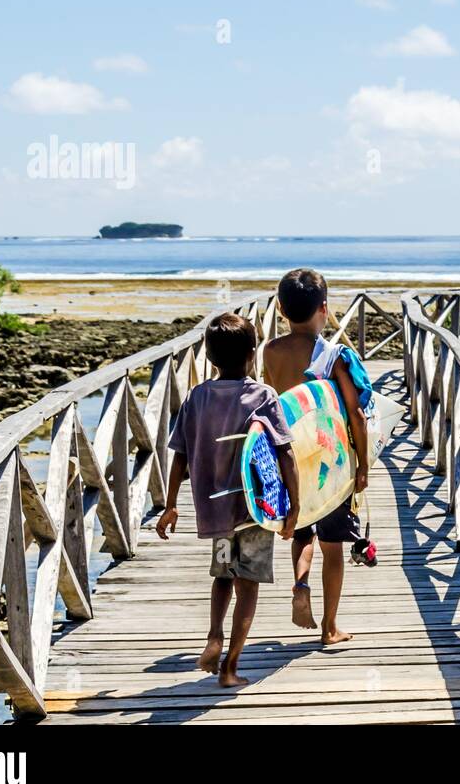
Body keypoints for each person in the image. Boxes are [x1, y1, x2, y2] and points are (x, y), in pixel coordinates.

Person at [156, 313, 298, 686]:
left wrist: (171, 504)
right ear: (253, 354)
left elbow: (180, 454)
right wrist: (295, 506)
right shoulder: (262, 396)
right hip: (254, 510)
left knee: (223, 575)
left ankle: (213, 634)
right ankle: (230, 668)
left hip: (217, 511)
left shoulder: (198, 397)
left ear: (210, 357)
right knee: (247, 584)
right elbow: (285, 454)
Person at [263, 268, 370, 644]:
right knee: (333, 546)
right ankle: (329, 627)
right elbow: (355, 414)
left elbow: (277, 401)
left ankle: (300, 582)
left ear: (280, 309)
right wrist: (363, 466)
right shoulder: (333, 356)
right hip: (329, 461)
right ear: (325, 308)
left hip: (290, 458)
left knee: (301, 528)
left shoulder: (270, 351)